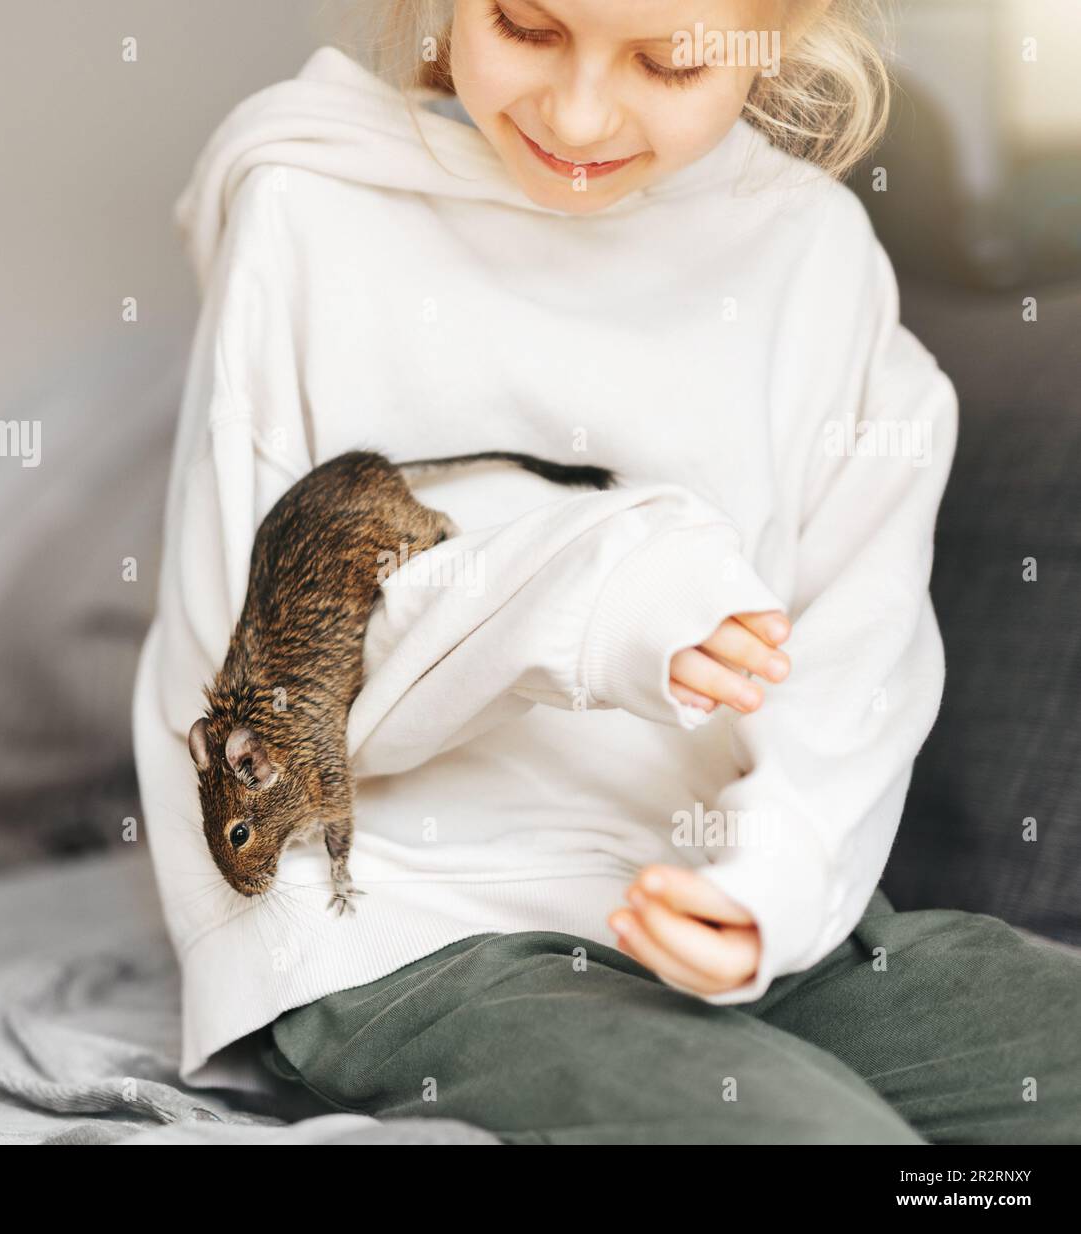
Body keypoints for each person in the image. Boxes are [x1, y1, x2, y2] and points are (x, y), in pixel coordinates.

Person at [131, 0, 1081, 1143]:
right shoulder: (310, 213)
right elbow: (261, 688)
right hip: (419, 929)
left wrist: (770, 882)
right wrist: (587, 603)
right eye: (526, 29)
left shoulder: (815, 258)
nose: (577, 114)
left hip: (725, 911)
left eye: (668, 61)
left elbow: (854, 658)